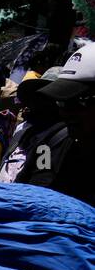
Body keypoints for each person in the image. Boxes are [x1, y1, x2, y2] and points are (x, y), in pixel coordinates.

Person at [35, 45, 95, 205]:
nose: (66, 112)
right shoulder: (51, 143)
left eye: (79, 101)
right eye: (61, 102)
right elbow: (37, 192)